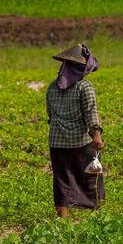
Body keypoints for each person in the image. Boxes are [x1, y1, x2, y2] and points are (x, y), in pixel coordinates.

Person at [45, 43, 105, 217]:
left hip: (57, 142)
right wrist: (97, 136)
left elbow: (50, 113)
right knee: (90, 178)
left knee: (61, 180)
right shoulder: (84, 87)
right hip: (81, 141)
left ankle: (62, 219)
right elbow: (91, 113)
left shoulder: (52, 87)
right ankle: (95, 215)